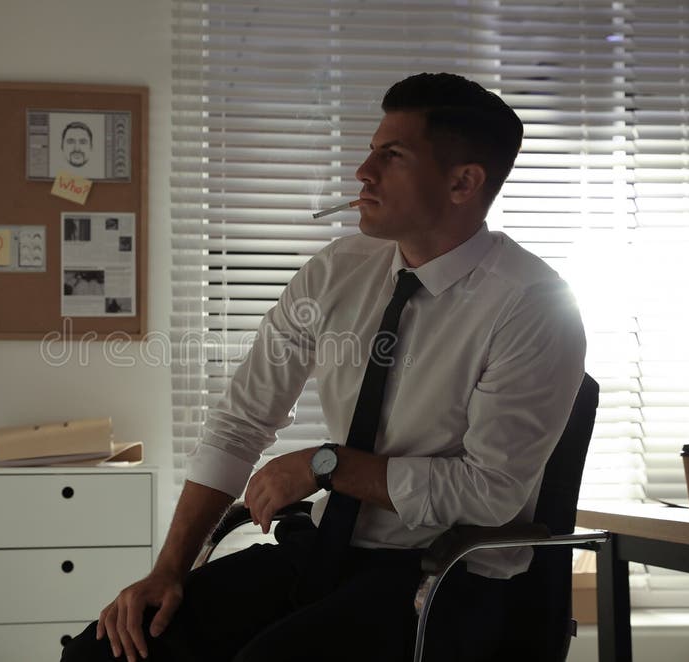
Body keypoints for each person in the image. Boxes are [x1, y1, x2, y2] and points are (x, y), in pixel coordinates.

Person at [62, 72, 586, 662]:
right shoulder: (338, 270)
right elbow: (240, 423)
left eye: (391, 156)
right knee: (103, 654)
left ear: (464, 182)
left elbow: (488, 494)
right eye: (371, 151)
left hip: (443, 576)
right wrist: (167, 570)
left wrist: (327, 465)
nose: (364, 172)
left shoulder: (533, 307)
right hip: (323, 551)